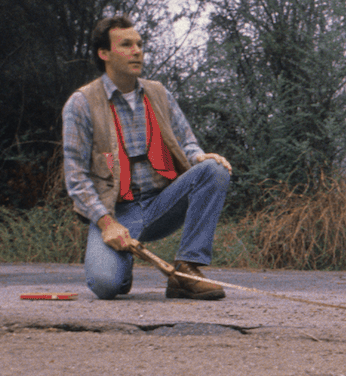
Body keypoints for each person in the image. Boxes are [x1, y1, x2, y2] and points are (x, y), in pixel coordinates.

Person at [61, 15, 233, 300]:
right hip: (117, 213)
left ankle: (186, 270)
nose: (137, 51)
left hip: (162, 203)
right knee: (105, 285)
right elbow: (76, 180)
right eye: (126, 45)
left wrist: (201, 157)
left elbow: (187, 143)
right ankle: (121, 266)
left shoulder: (158, 92)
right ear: (104, 54)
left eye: (139, 44)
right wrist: (107, 224)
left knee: (214, 169)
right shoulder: (81, 103)